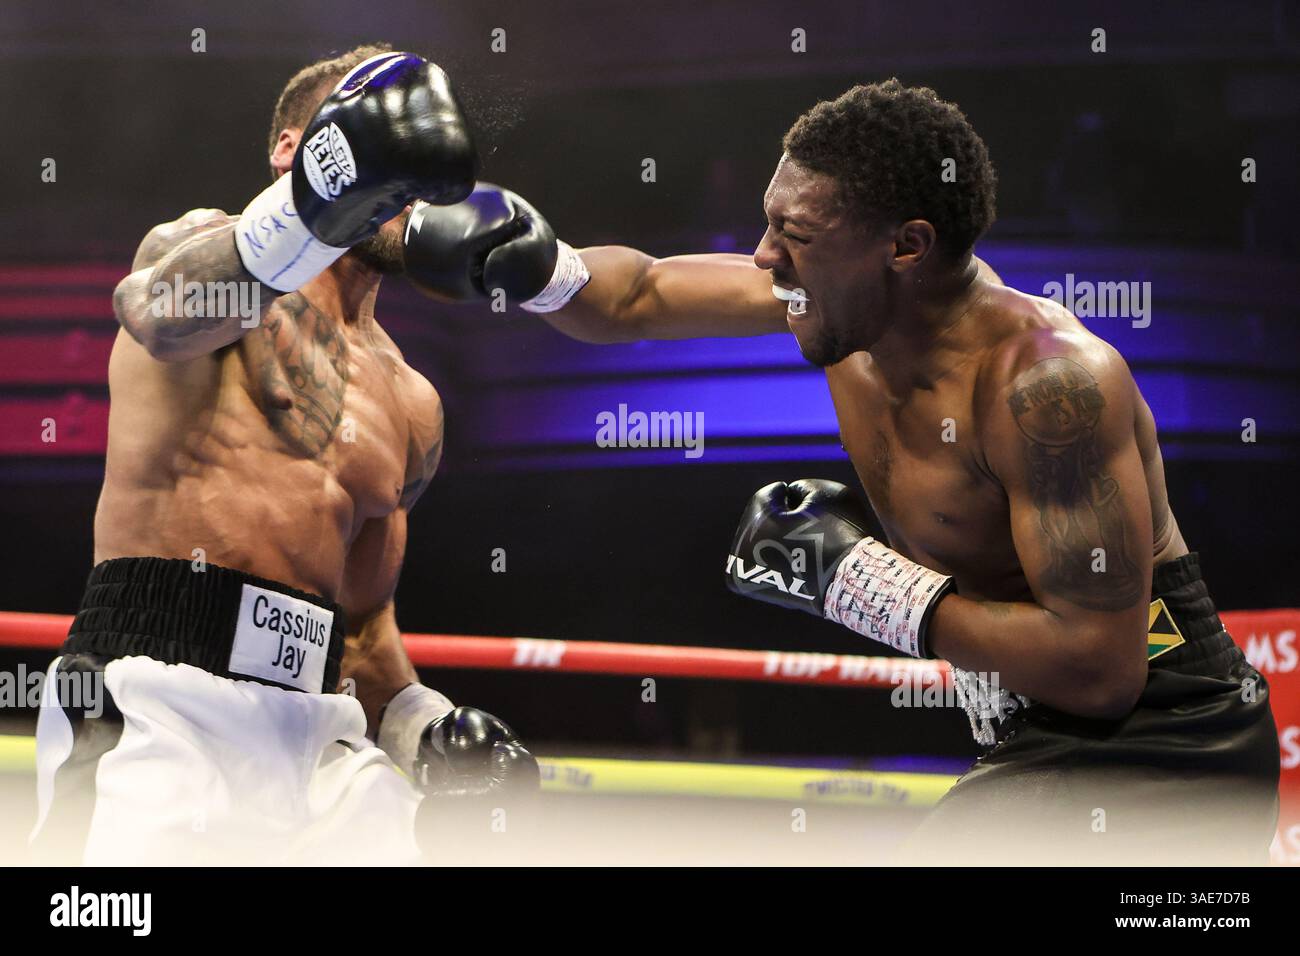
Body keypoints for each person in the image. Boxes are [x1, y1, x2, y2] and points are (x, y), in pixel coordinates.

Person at [402, 79, 1280, 863]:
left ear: (905, 246)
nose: (762, 257)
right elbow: (637, 299)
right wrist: (540, 264)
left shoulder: (1046, 389)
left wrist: (862, 584)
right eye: (767, 223)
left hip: (1169, 745)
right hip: (1036, 740)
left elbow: (1101, 666)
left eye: (795, 235)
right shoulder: (833, 307)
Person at [32, 44, 537, 866]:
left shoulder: (412, 400)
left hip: (321, 730)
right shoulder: (203, 251)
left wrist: (428, 729)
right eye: (376, 142)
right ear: (294, 150)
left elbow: (365, 630)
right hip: (157, 697)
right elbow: (154, 313)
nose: (400, 179)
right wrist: (320, 204)